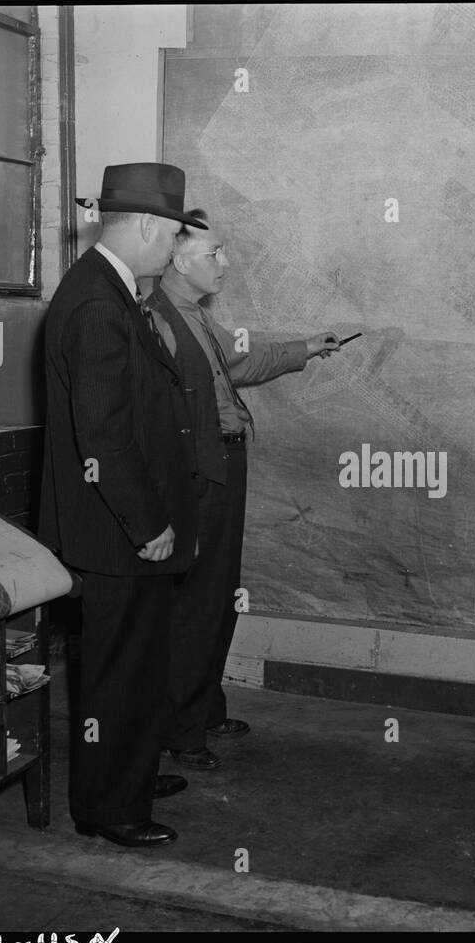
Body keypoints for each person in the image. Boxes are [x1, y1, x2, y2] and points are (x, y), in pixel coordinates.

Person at [39, 163, 207, 848]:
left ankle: (127, 774)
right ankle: (109, 807)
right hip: (118, 531)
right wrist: (149, 524)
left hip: (119, 526)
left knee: (135, 668)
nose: (173, 250)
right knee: (116, 676)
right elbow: (103, 434)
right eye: (172, 236)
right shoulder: (98, 305)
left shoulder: (108, 290)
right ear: (144, 226)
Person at [145, 209, 339, 770]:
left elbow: (242, 362)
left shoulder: (195, 318)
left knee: (219, 593)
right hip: (199, 474)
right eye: (215, 254)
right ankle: (180, 731)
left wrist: (308, 346)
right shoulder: (157, 321)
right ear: (179, 261)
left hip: (225, 466)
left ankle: (204, 709)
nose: (225, 262)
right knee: (195, 603)